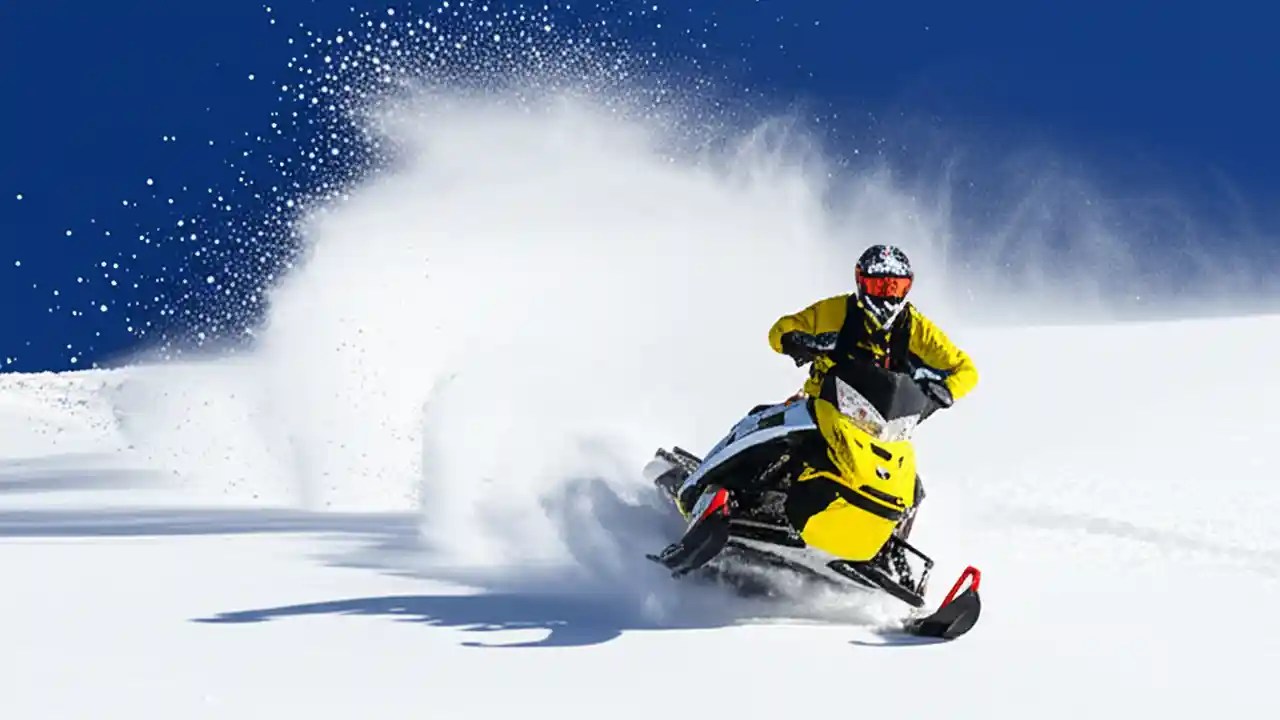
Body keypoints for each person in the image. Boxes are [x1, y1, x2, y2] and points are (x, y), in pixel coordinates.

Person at [767, 243, 979, 542]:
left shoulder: (915, 327)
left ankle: (890, 548)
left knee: (910, 488)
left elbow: (966, 369)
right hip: (824, 403)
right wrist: (798, 341)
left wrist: (945, 390)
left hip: (880, 422)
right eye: (879, 286)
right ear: (861, 281)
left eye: (895, 287)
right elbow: (779, 330)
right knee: (788, 437)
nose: (886, 295)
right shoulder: (837, 311)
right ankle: (746, 496)